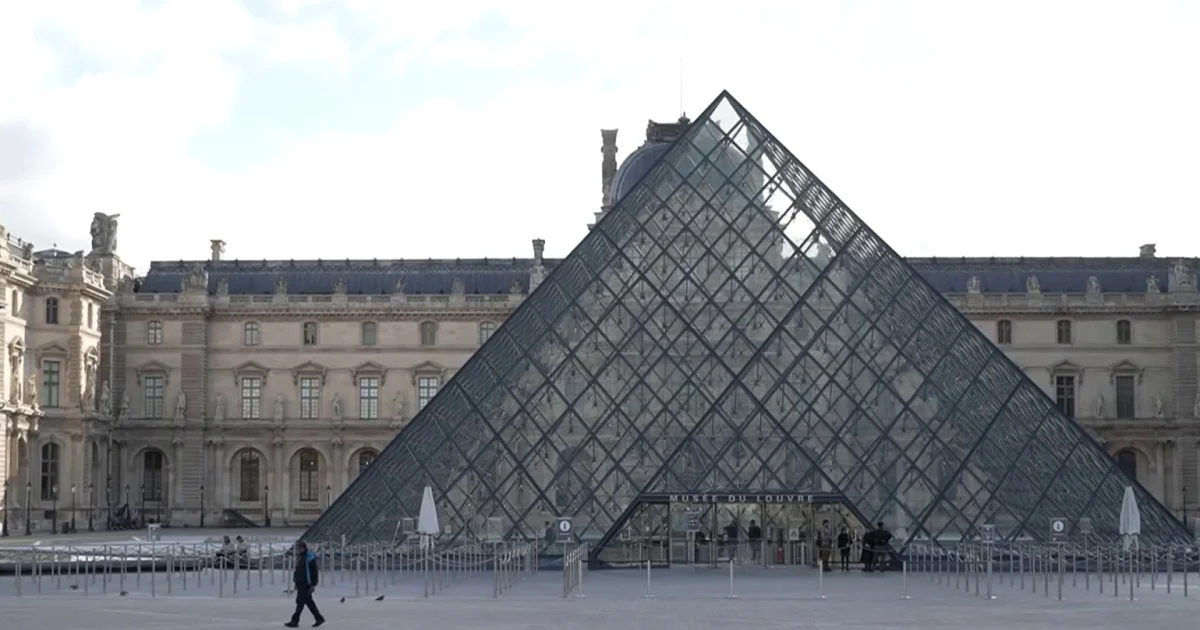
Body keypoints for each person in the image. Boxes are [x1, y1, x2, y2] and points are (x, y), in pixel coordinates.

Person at [285, 541, 324, 628]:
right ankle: (319, 618)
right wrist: (296, 582)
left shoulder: (309, 557)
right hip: (301, 583)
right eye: (298, 548)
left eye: (300, 547)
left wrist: (313, 584)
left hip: (307, 583)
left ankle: (295, 620)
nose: (299, 549)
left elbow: (314, 572)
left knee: (300, 602)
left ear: (304, 547)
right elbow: (298, 571)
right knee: (308, 601)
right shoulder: (300, 556)